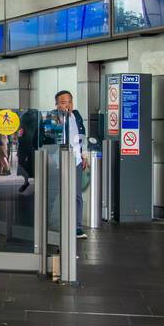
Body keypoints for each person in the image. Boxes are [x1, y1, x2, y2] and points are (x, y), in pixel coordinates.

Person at [55, 90, 88, 239]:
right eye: (63, 102)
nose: (67, 105)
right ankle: (54, 225)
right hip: (58, 160)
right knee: (56, 193)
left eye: (69, 101)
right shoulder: (53, 117)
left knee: (76, 195)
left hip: (75, 159)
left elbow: (82, 135)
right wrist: (61, 119)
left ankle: (77, 227)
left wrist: (84, 154)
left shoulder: (77, 115)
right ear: (57, 104)